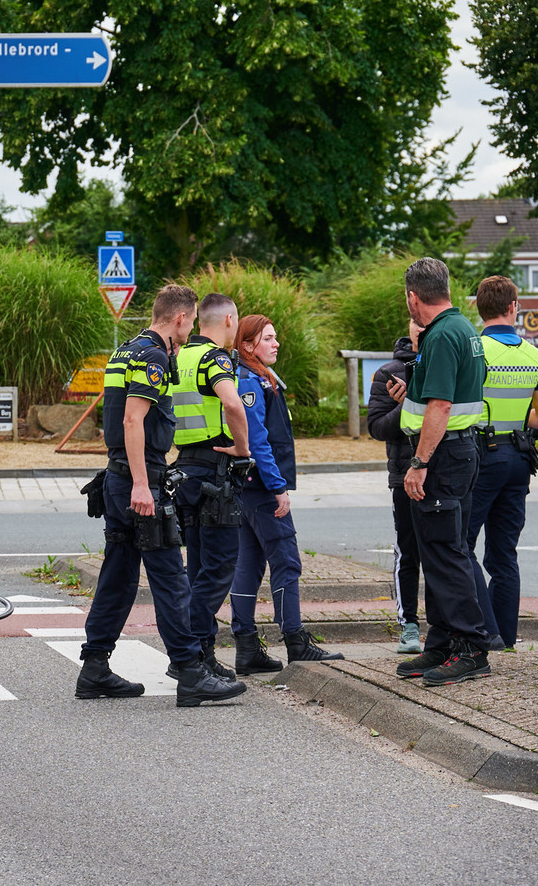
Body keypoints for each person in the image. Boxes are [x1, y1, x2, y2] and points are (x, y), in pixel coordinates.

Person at [77, 284, 247, 707]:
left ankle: (94, 667)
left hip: (117, 476)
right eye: (189, 322)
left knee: (117, 577)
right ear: (180, 319)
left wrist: (126, 478)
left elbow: (116, 419)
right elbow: (134, 421)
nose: (190, 330)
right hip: (140, 480)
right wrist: (141, 484)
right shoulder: (154, 355)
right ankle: (191, 673)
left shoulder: (125, 351)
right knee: (171, 579)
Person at [395, 257, 492, 686]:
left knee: (445, 554)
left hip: (442, 458)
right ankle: (443, 641)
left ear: (414, 297)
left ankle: (470, 647)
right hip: (462, 452)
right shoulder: (465, 329)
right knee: (440, 549)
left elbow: (440, 406)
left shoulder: (440, 336)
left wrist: (419, 462)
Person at [228, 315, 344, 673]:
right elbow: (258, 439)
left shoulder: (254, 376)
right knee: (286, 562)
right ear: (247, 345)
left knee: (248, 565)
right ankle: (296, 641)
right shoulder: (250, 380)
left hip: (246, 487)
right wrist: (278, 487)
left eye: (275, 337)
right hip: (261, 487)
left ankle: (246, 647)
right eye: (268, 338)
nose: (276, 343)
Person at [467, 276, 538, 650]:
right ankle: (506, 634)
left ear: (478, 308)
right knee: (504, 554)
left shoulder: (473, 351)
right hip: (519, 458)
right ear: (513, 307)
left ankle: (485, 632)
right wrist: (516, 423)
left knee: (459, 545)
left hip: (479, 457)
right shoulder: (534, 355)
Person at [168, 293, 249, 681]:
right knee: (219, 568)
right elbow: (232, 405)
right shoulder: (213, 358)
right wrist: (243, 449)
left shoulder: (179, 356)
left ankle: (202, 653)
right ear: (230, 320)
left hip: (186, 469)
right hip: (216, 470)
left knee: (198, 567)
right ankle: (189, 651)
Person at [367, 320, 426, 654]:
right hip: (404, 474)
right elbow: (377, 428)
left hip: (445, 473)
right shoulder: (388, 373)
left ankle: (447, 626)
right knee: (409, 550)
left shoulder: (446, 363)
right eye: (418, 328)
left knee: (446, 551)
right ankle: (409, 626)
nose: (423, 332)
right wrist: (407, 405)